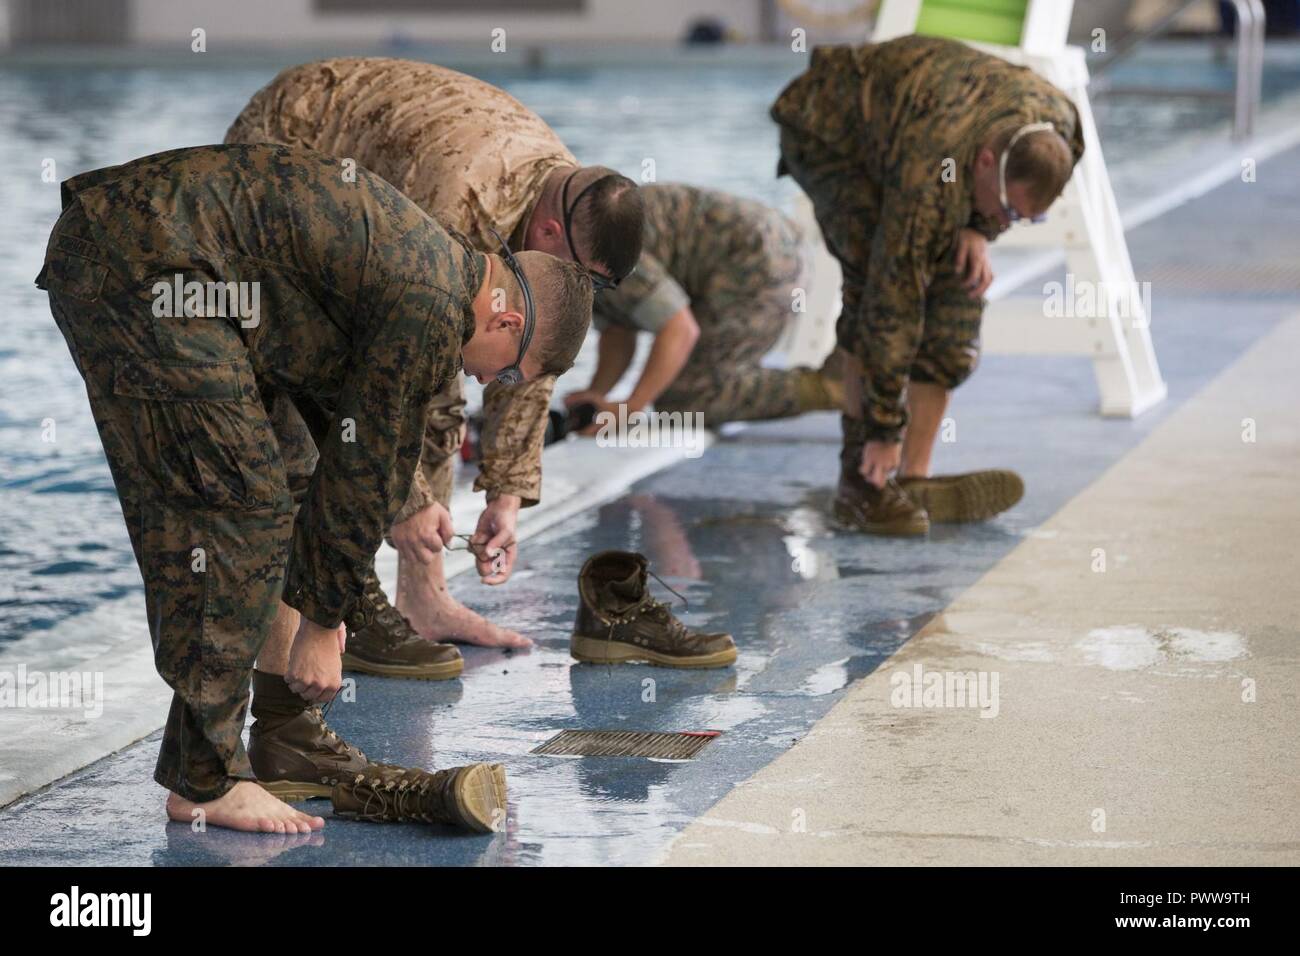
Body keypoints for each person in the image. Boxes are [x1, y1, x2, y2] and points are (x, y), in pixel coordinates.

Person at [37, 143, 593, 832]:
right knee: (238, 512)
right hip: (145, 263)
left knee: (282, 482)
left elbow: (352, 444)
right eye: (510, 371)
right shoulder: (432, 307)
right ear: (507, 320)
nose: (488, 383)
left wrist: (405, 508)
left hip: (148, 249)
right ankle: (202, 780)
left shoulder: (432, 270)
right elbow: (365, 469)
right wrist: (326, 629)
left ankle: (285, 736)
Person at [227, 57, 643, 662]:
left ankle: (422, 600)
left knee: (451, 368)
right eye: (585, 279)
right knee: (302, 397)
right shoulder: (458, 204)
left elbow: (529, 348)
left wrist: (505, 492)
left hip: (386, 152)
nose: (582, 292)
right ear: (549, 232)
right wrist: (409, 501)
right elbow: (387, 366)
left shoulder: (566, 197)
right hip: (294, 136)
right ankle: (313, 627)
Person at [771, 34, 1085, 534]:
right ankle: (862, 484)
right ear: (985, 162)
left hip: (923, 131)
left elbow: (1001, 200)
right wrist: (882, 430)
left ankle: (913, 478)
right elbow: (890, 307)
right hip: (832, 131)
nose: (1010, 223)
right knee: (871, 282)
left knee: (960, 285)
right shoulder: (930, 172)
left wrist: (980, 227)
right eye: (1006, 211)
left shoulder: (1063, 128)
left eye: (1025, 219)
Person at [563, 182, 842, 429]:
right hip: (771, 247)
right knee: (679, 381)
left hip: (761, 263)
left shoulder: (599, 255)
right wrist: (596, 396)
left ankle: (828, 388)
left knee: (684, 399)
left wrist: (629, 409)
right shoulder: (578, 245)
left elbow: (679, 329)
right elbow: (618, 333)